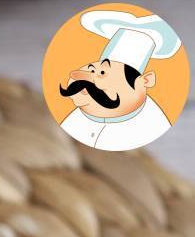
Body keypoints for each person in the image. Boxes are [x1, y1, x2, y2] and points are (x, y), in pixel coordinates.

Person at [59, 10, 182, 151]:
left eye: (103, 73)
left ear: (145, 81)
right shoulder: (72, 118)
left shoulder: (150, 124)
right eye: (91, 70)